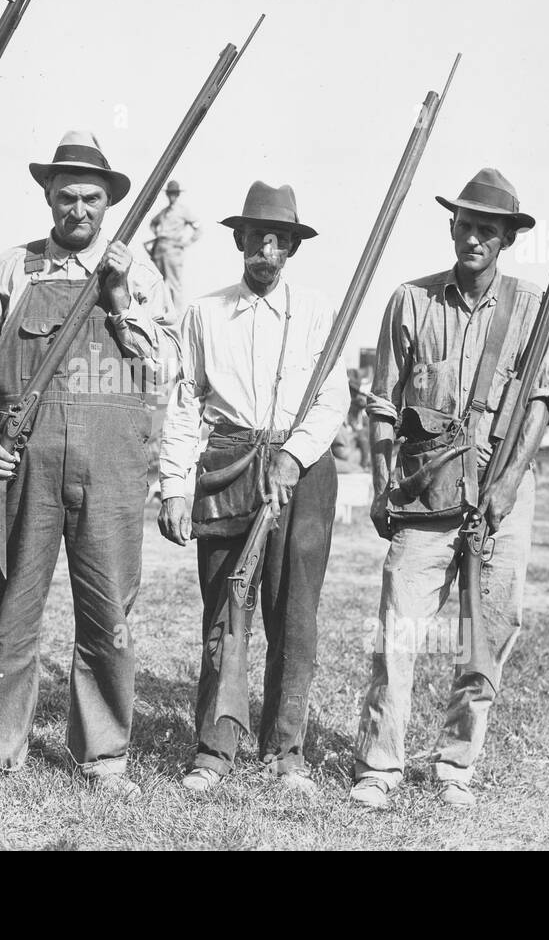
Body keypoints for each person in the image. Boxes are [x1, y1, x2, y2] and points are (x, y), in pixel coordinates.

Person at [0, 130, 177, 799]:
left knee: (108, 615)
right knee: (12, 610)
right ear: (48, 197)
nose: (79, 209)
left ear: (109, 204)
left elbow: (166, 370)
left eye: (92, 199)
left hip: (112, 467)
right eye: (67, 196)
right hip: (29, 464)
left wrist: (117, 297)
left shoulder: (142, 275)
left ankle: (103, 757)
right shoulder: (12, 268)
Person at [351, 168, 549, 810]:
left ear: (505, 241)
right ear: (451, 228)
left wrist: (506, 487)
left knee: (485, 635)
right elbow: (383, 405)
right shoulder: (410, 301)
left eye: (486, 231)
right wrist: (384, 485)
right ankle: (380, 769)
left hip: (501, 494)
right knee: (399, 631)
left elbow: (540, 406)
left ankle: (455, 767)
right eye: (465, 225)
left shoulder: (531, 308)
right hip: (424, 490)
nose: (473, 238)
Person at [157, 181, 343, 797]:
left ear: (292, 247)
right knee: (226, 605)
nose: (268, 248)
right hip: (231, 465)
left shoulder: (316, 313)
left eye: (280, 239)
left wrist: (292, 454)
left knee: (294, 615)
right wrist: (176, 487)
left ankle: (284, 750)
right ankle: (215, 747)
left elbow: (332, 399)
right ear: (238, 240)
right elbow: (186, 404)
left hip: (302, 470)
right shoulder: (205, 313)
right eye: (258, 237)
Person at [147, 178, 201, 312]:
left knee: (174, 285)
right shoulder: (164, 212)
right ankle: (164, 315)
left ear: (178, 195)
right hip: (160, 248)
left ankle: (177, 318)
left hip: (173, 249)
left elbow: (198, 228)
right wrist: (158, 234)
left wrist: (186, 243)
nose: (171, 196)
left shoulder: (183, 211)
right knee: (160, 282)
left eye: (174, 193)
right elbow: (153, 223)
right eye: (169, 193)